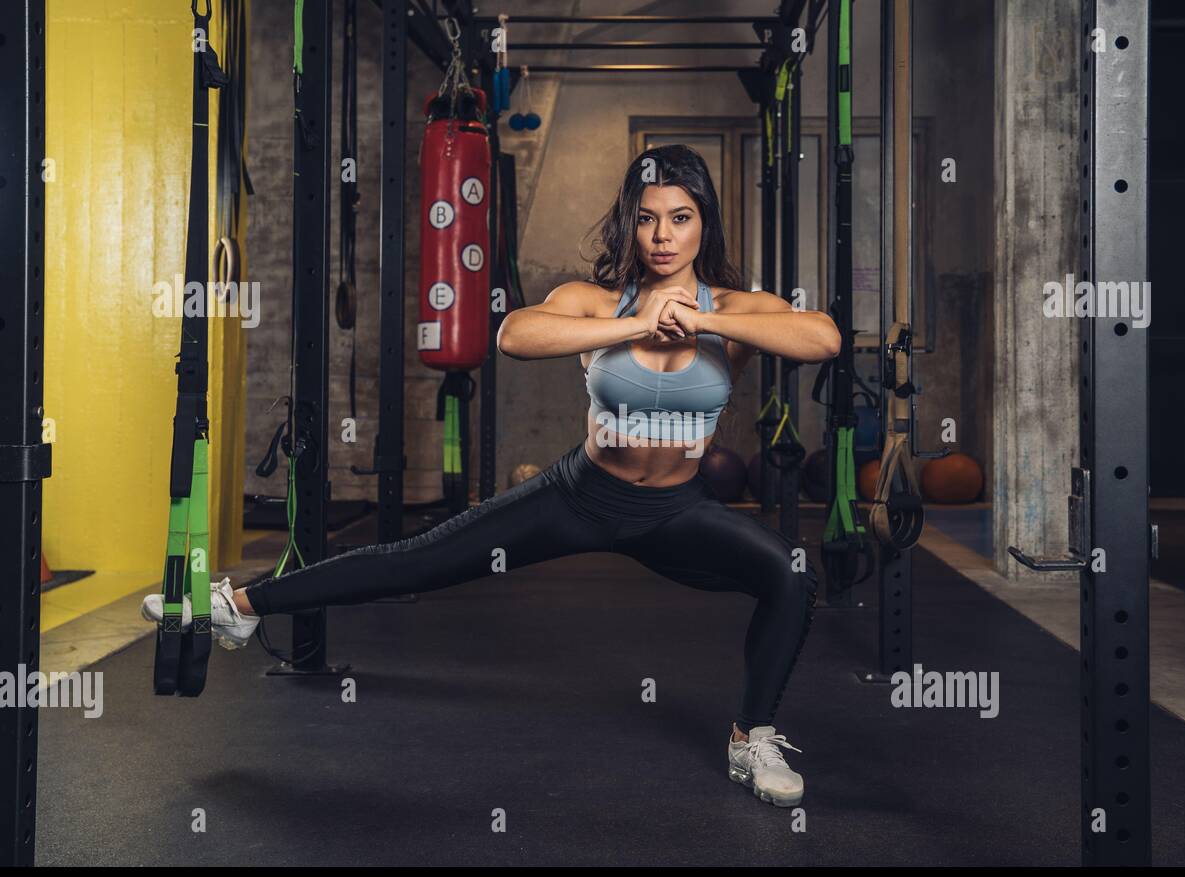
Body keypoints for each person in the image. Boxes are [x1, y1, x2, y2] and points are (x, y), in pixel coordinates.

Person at [142, 144, 840, 807]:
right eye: (647, 217)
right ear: (629, 222)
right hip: (581, 495)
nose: (662, 235)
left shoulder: (739, 308)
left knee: (790, 575)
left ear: (703, 222)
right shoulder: (594, 302)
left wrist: (704, 320)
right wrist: (634, 326)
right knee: (416, 561)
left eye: (680, 218)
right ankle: (237, 609)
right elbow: (515, 335)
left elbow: (823, 338)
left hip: (677, 511)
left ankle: (752, 739)